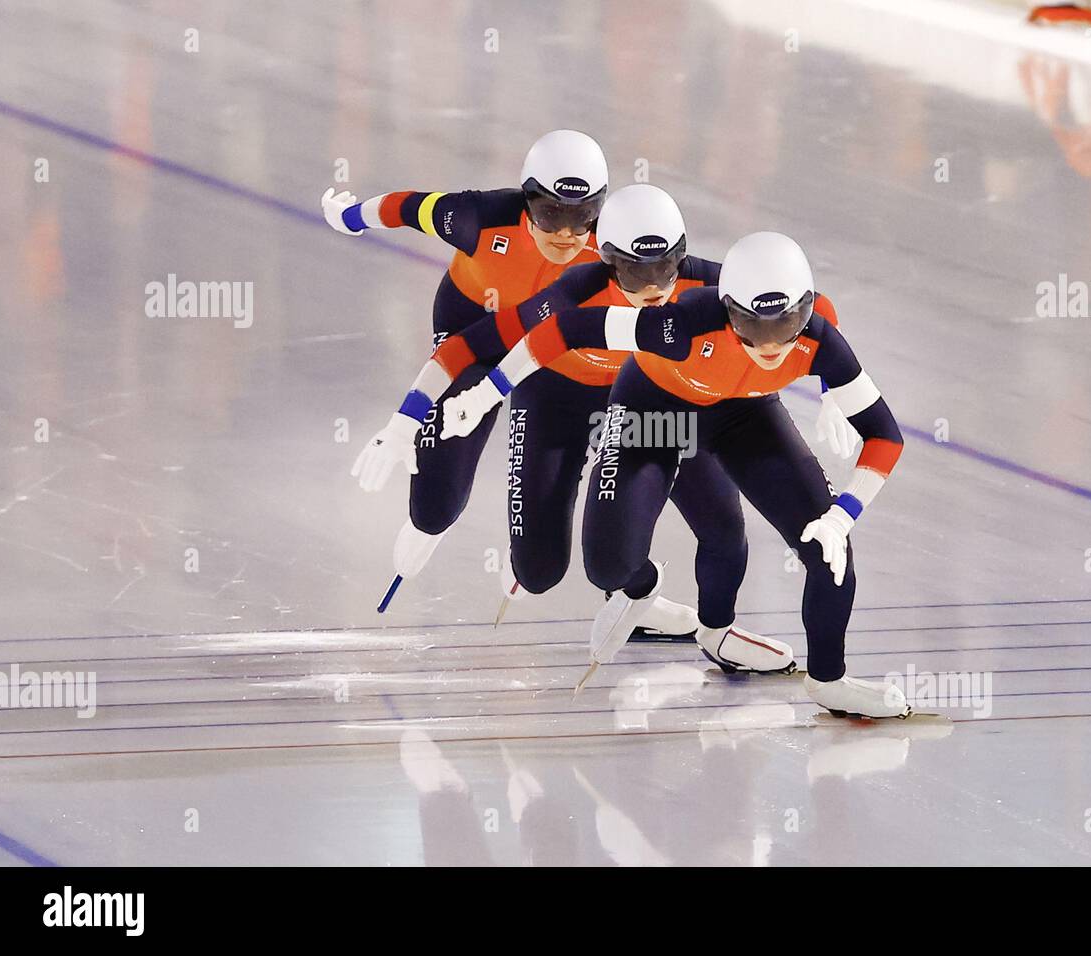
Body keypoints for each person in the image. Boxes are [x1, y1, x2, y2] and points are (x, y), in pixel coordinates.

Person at [353, 186, 856, 668]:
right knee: (538, 570)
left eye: (667, 268)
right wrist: (407, 418)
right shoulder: (572, 293)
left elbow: (810, 306)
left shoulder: (710, 286)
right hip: (556, 399)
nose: (656, 287)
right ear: (608, 263)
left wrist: (834, 386)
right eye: (636, 276)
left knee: (723, 527)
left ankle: (712, 629)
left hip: (652, 405)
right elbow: (472, 346)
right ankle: (636, 584)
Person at [440, 232, 911, 718]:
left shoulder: (821, 341)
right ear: (727, 309)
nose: (770, 345)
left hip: (744, 415)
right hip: (655, 414)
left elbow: (885, 437)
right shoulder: (678, 325)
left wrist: (842, 515)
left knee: (825, 549)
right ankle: (642, 589)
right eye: (751, 327)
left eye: (786, 325)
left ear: (807, 310)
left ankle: (820, 675)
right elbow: (559, 332)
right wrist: (481, 396)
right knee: (609, 567)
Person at [320, 130, 607, 596]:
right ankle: (430, 523)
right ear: (526, 201)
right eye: (551, 213)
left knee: (541, 549)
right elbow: (406, 207)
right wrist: (350, 217)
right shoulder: (478, 217)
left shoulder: (614, 244)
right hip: (477, 325)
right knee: (437, 494)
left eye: (582, 218)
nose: (566, 235)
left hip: (552, 344)